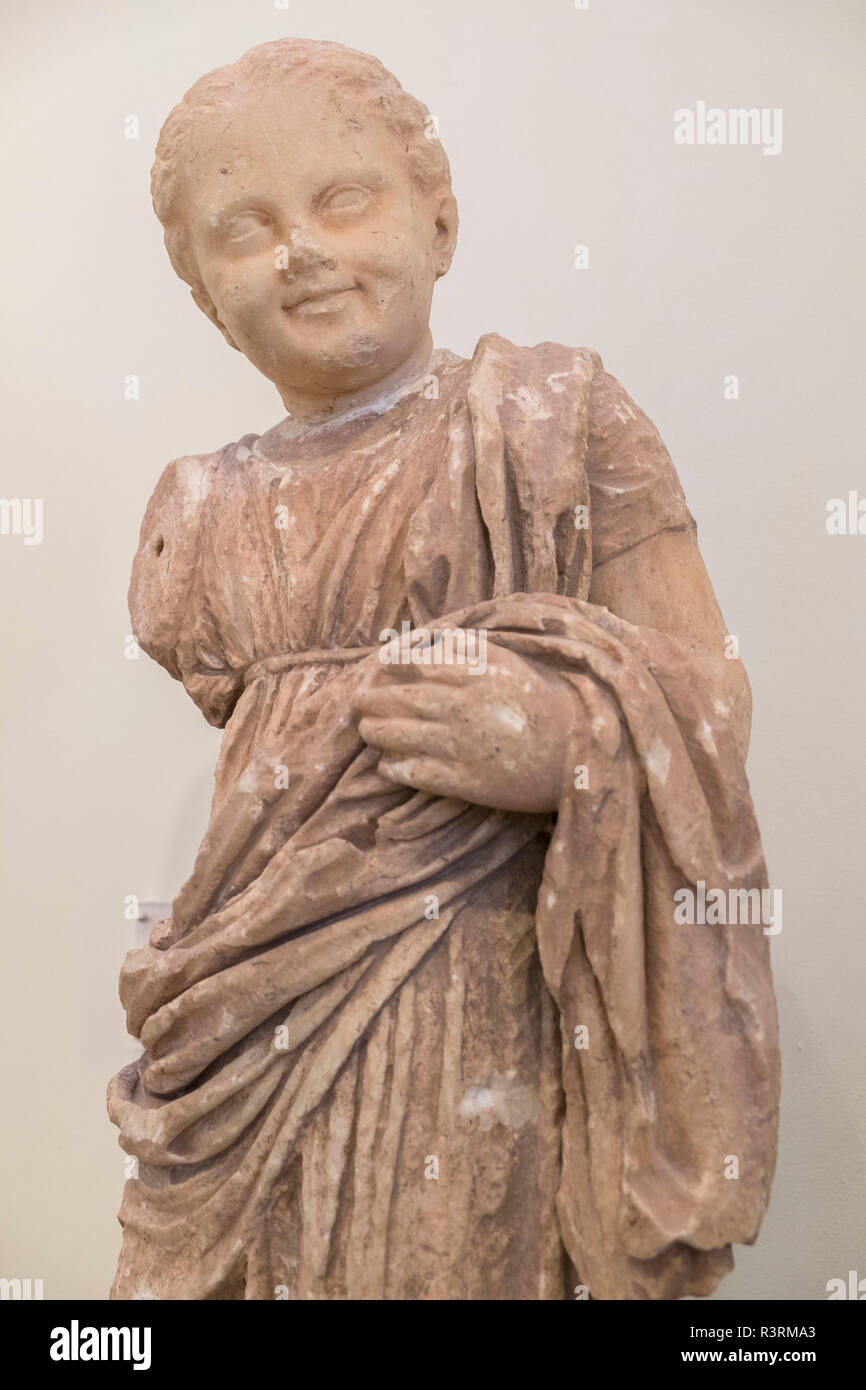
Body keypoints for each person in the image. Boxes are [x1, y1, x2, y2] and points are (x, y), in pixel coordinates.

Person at [108, 37, 779, 1301]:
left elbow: (710, 689)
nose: (299, 249)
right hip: (245, 1001)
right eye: (244, 231)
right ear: (203, 293)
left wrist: (558, 735)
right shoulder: (194, 511)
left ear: (439, 218)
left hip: (485, 983)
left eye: (340, 199)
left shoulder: (554, 420)